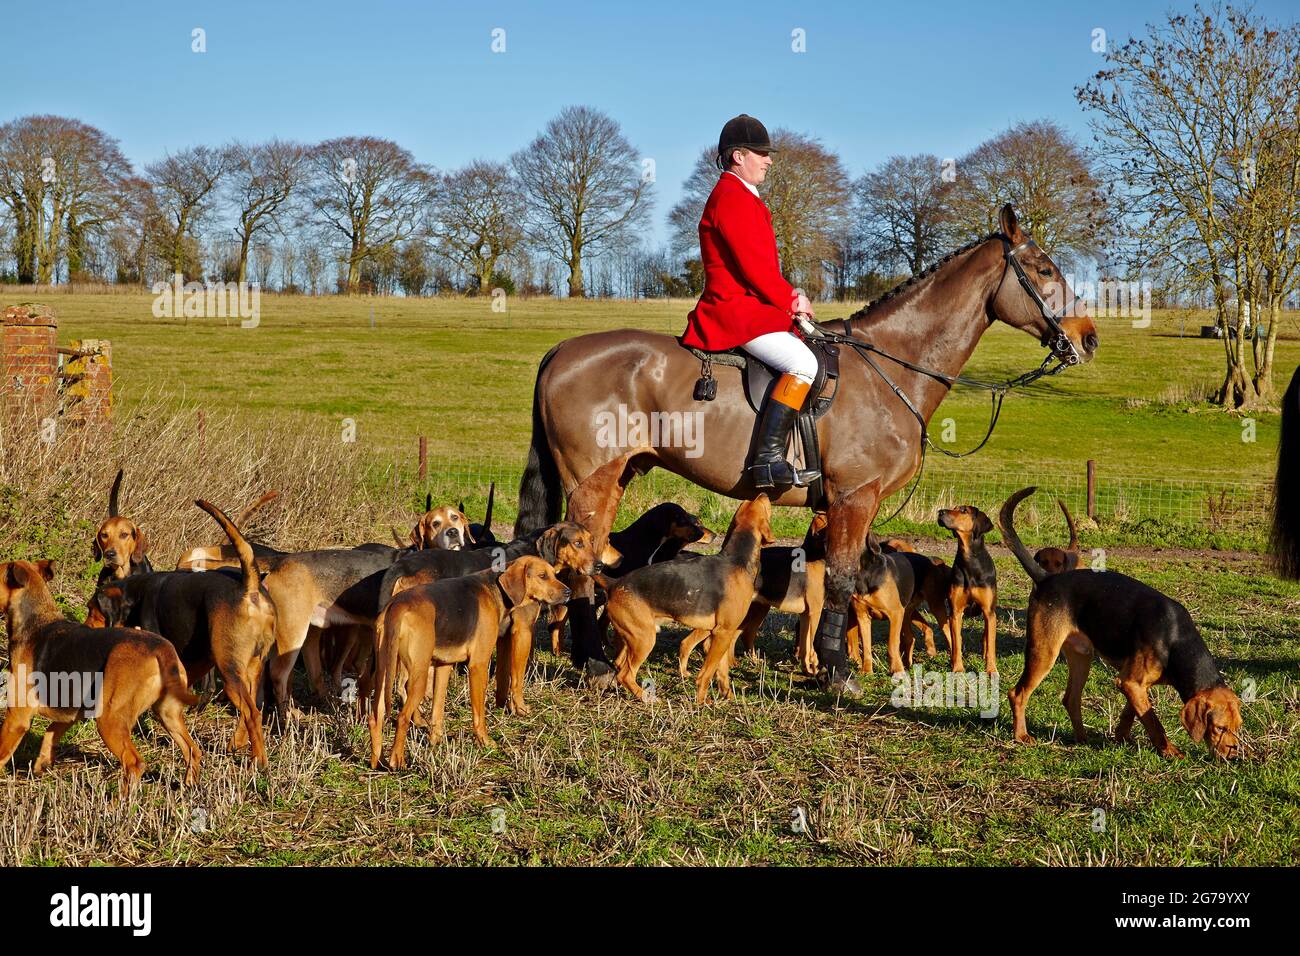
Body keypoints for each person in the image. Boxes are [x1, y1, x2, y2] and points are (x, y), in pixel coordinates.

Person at [680, 113, 820, 489]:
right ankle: (767, 460)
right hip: (735, 312)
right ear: (738, 156)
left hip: (750, 308)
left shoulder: (742, 196)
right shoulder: (731, 198)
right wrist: (791, 299)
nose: (769, 160)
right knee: (803, 363)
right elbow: (755, 270)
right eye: (761, 153)